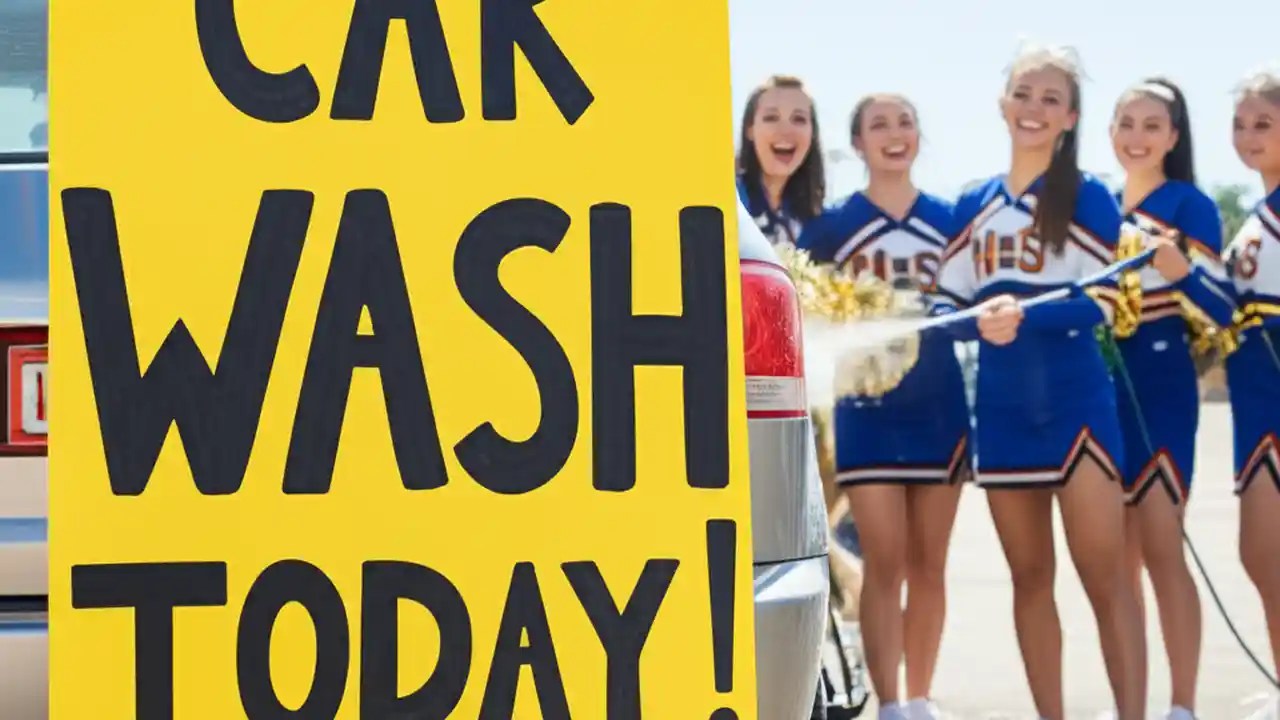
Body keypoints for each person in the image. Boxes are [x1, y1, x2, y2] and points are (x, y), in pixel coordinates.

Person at [929, 43, 1145, 720]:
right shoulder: (973, 202)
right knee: (1029, 580)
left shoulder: (1091, 198)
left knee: (1106, 579)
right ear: (1002, 105)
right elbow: (942, 310)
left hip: (1079, 407)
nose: (1034, 108)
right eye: (1023, 93)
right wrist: (974, 322)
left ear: (1070, 117)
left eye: (1051, 99)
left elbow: (1107, 304)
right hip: (1002, 412)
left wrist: (1024, 313)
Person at [798, 94, 969, 720]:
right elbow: (804, 302)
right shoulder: (833, 224)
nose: (894, 135)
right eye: (878, 126)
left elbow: (973, 303)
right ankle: (889, 702)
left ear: (919, 137)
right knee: (884, 560)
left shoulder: (952, 219)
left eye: (905, 123)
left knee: (931, 564)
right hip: (866, 411)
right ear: (859, 143)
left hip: (941, 409)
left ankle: (920, 699)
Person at [1108, 77, 1234, 720]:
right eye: (1125, 123)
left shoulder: (1190, 207)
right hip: (1104, 386)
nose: (1137, 138)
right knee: (1115, 562)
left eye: (1151, 126)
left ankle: (1182, 705)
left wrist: (1180, 271)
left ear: (1174, 136)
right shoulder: (1095, 203)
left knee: (1161, 543)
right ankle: (1131, 704)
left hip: (1162, 382)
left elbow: (1223, 310)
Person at [1224, 66, 1280, 720]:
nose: (1247, 135)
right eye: (1240, 124)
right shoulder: (1258, 212)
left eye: (1263, 122)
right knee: (1262, 554)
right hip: (1254, 406)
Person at [736, 74, 827, 246]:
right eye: (771, 118)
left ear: (812, 133)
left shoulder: (815, 222)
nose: (785, 131)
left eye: (799, 119)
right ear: (750, 129)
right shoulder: (730, 203)